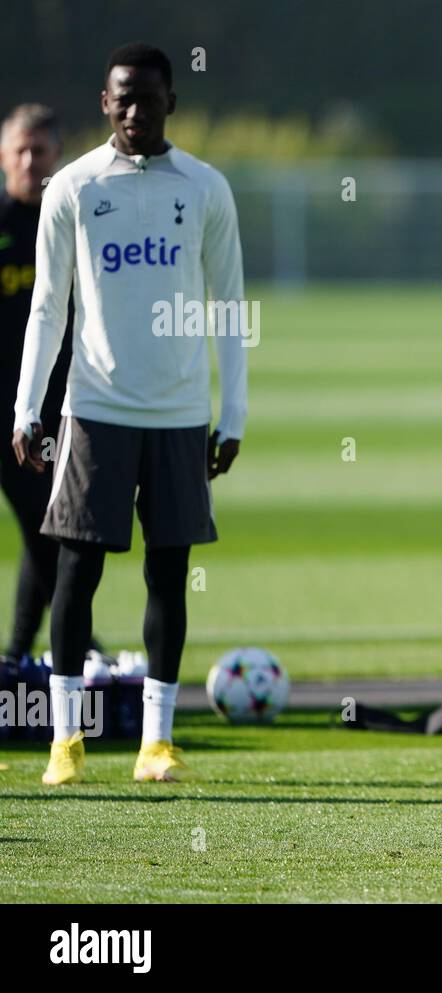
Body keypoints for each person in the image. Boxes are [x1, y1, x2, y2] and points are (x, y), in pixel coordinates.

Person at [12, 42, 248, 784]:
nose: (138, 111)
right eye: (125, 98)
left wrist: (231, 414)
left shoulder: (205, 188)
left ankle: (156, 741)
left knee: (168, 575)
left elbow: (230, 308)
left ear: (171, 102)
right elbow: (47, 307)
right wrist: (27, 408)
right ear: (105, 104)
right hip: (96, 409)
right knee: (74, 573)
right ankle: (65, 741)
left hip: (179, 415)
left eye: (151, 98)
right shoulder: (74, 187)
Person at [0, 104, 73, 667]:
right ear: (4, 156)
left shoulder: (70, 223)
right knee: (45, 530)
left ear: (57, 157)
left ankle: (20, 657)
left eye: (40, 151)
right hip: (8, 409)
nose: (30, 161)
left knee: (45, 529)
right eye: (20, 150)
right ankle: (79, 644)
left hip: (57, 409)